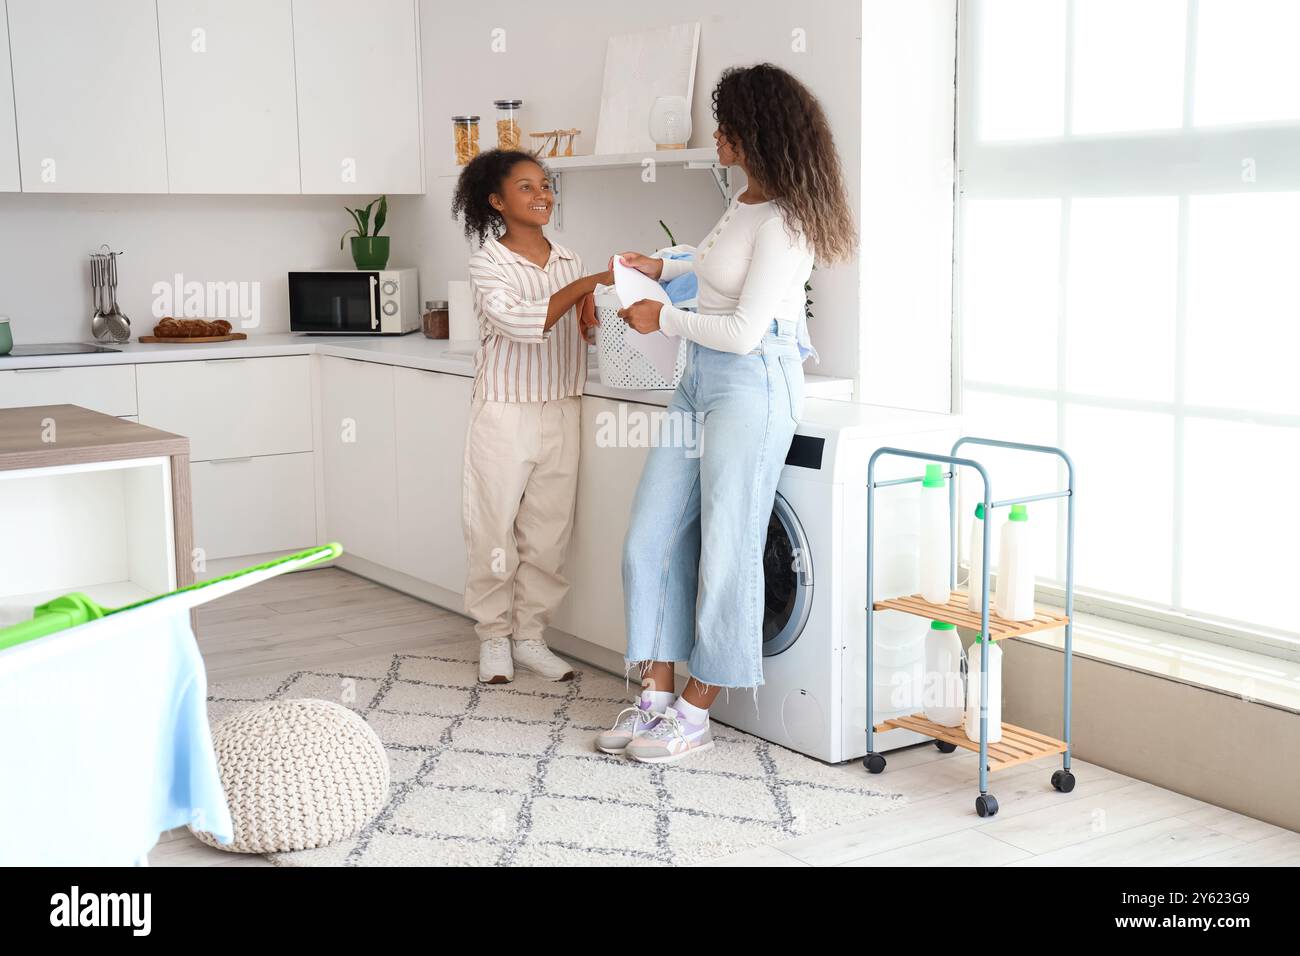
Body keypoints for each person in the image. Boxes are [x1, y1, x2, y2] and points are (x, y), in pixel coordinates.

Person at [595, 65, 857, 763]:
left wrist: (664, 316)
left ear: (753, 134)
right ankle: (654, 699)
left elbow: (743, 329)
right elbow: (716, 263)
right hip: (699, 380)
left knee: (728, 550)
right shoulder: (745, 201)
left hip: (752, 384)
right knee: (648, 537)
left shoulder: (789, 223)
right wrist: (663, 262)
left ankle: (696, 710)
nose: (716, 135)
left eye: (725, 126)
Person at [452, 149, 610, 684]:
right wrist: (587, 286)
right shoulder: (486, 263)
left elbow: (578, 325)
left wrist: (595, 304)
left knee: (548, 535)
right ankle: (493, 638)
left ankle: (530, 638)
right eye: (526, 187)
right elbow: (524, 321)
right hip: (504, 411)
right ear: (496, 201)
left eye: (545, 185)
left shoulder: (568, 260)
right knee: (492, 530)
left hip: (562, 406)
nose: (542, 195)